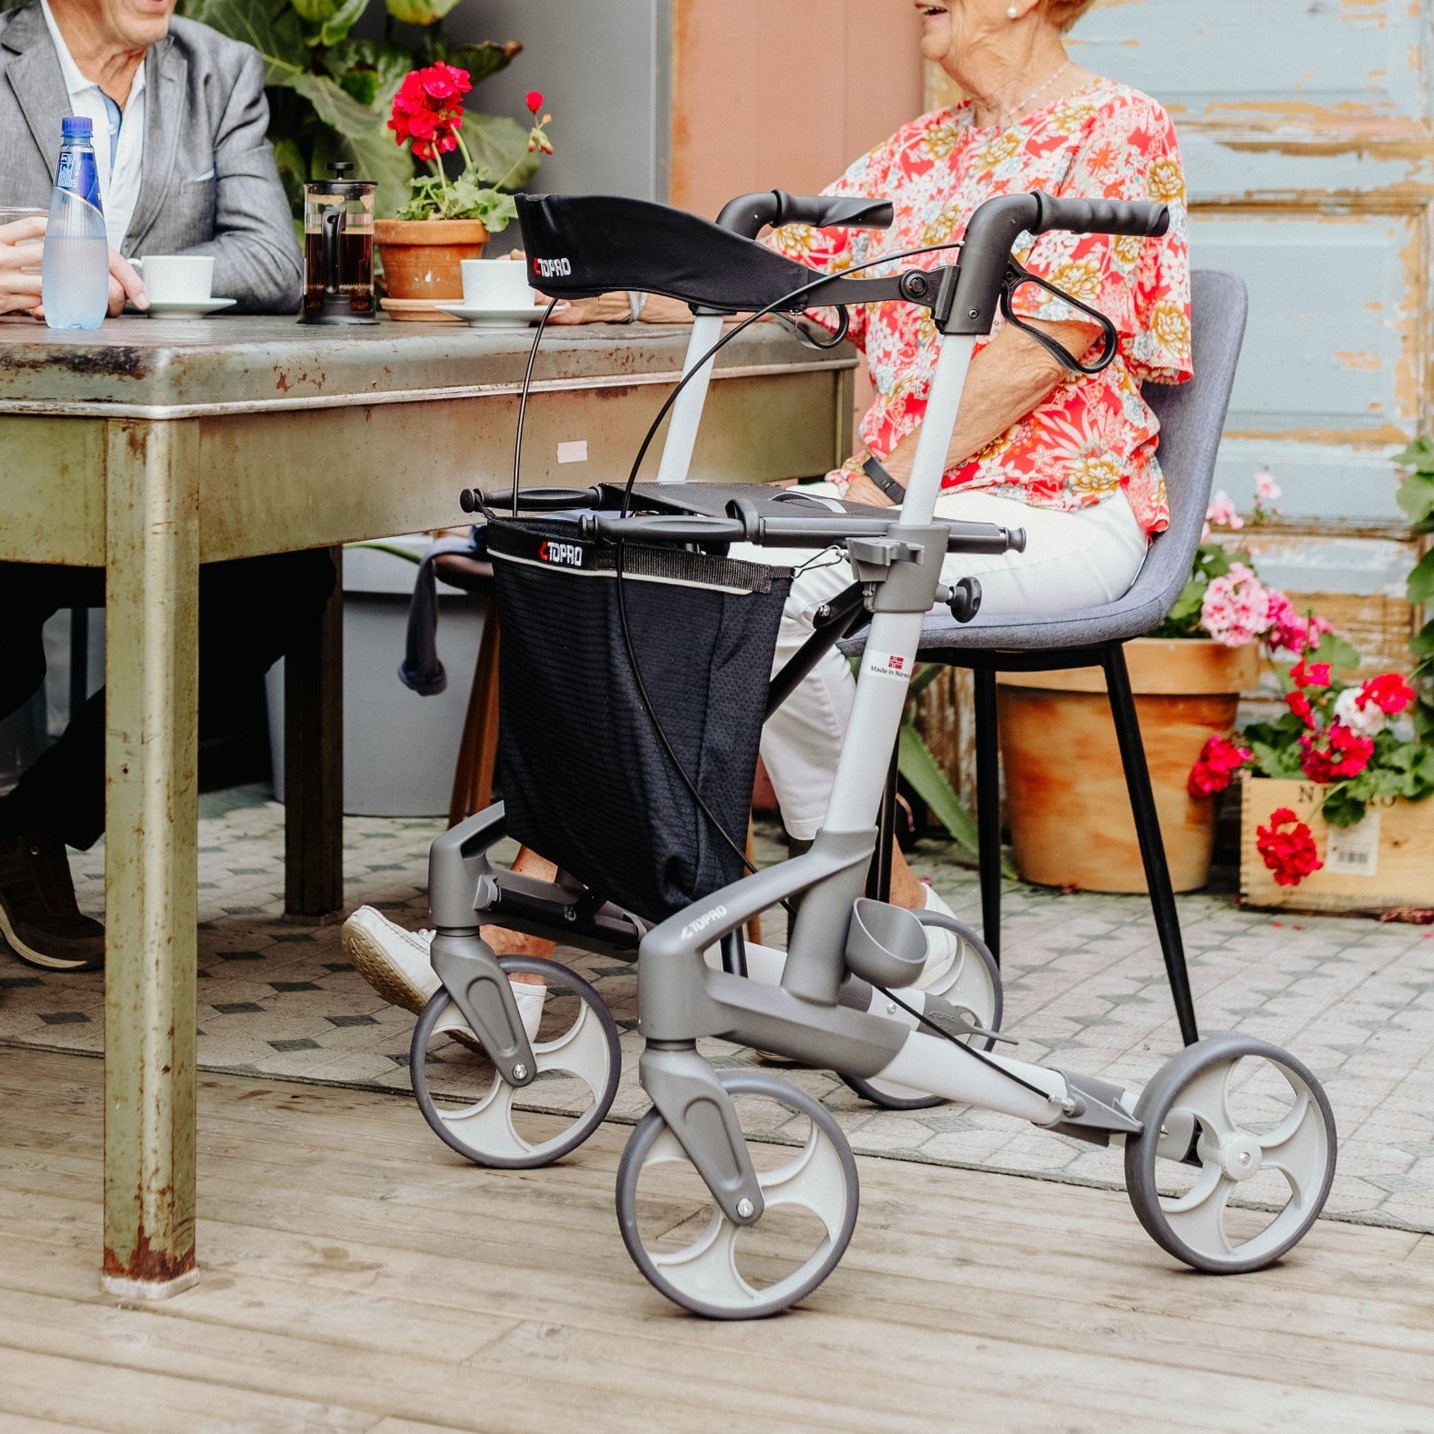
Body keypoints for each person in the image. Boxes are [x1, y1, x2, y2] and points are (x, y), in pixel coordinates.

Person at [343, 0, 1191, 1011]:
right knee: (663, 572)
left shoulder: (1117, 129)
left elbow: (1039, 348)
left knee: (770, 588)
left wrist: (878, 485)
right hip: (902, 508)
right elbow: (781, 278)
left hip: (1050, 512)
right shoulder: (924, 150)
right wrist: (633, 295)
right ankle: (871, 907)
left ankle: (567, 942)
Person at [0, 0, 330, 971]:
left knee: (282, 573)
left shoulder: (216, 69)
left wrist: (110, 274)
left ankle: (32, 830)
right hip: (14, 456)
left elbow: (271, 262)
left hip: (155, 456)